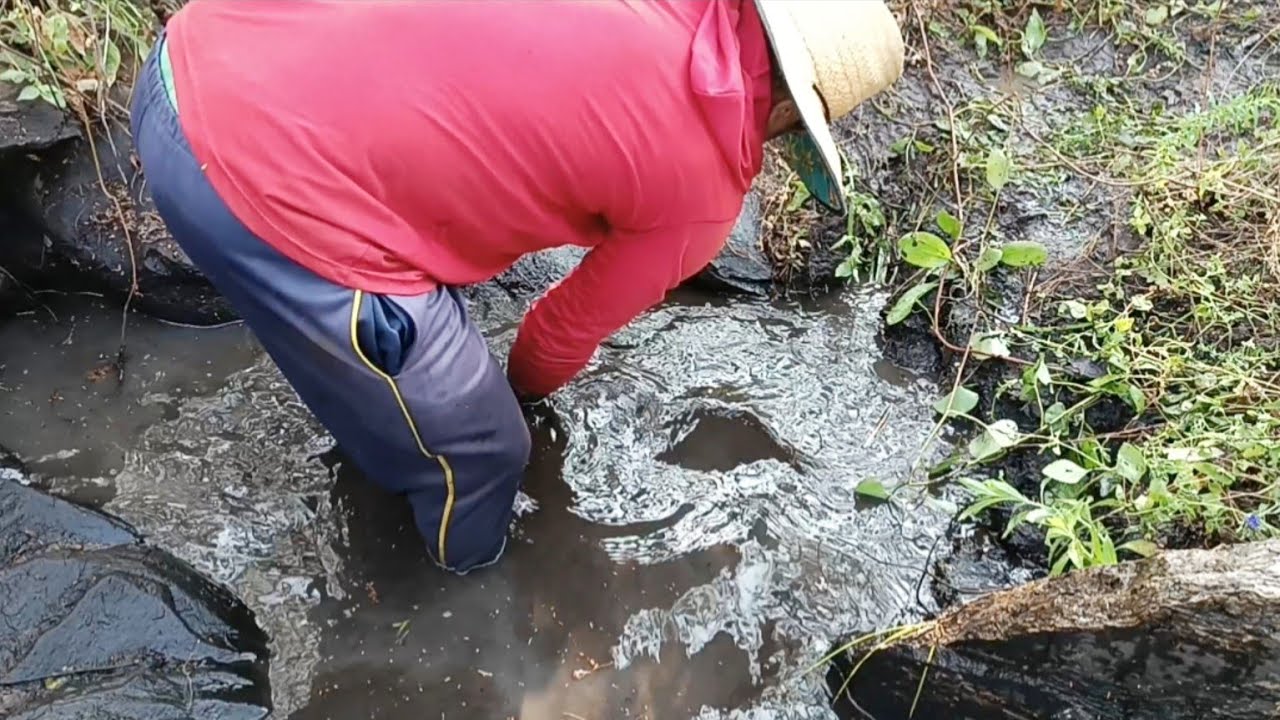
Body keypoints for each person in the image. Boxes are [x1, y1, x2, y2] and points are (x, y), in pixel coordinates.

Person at [129, 0, 904, 574]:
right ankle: (454, 634)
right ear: (786, 113)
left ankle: (390, 438)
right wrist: (520, 401)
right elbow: (554, 339)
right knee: (486, 454)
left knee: (434, 327)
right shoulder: (704, 193)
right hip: (243, 179)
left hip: (198, 46)